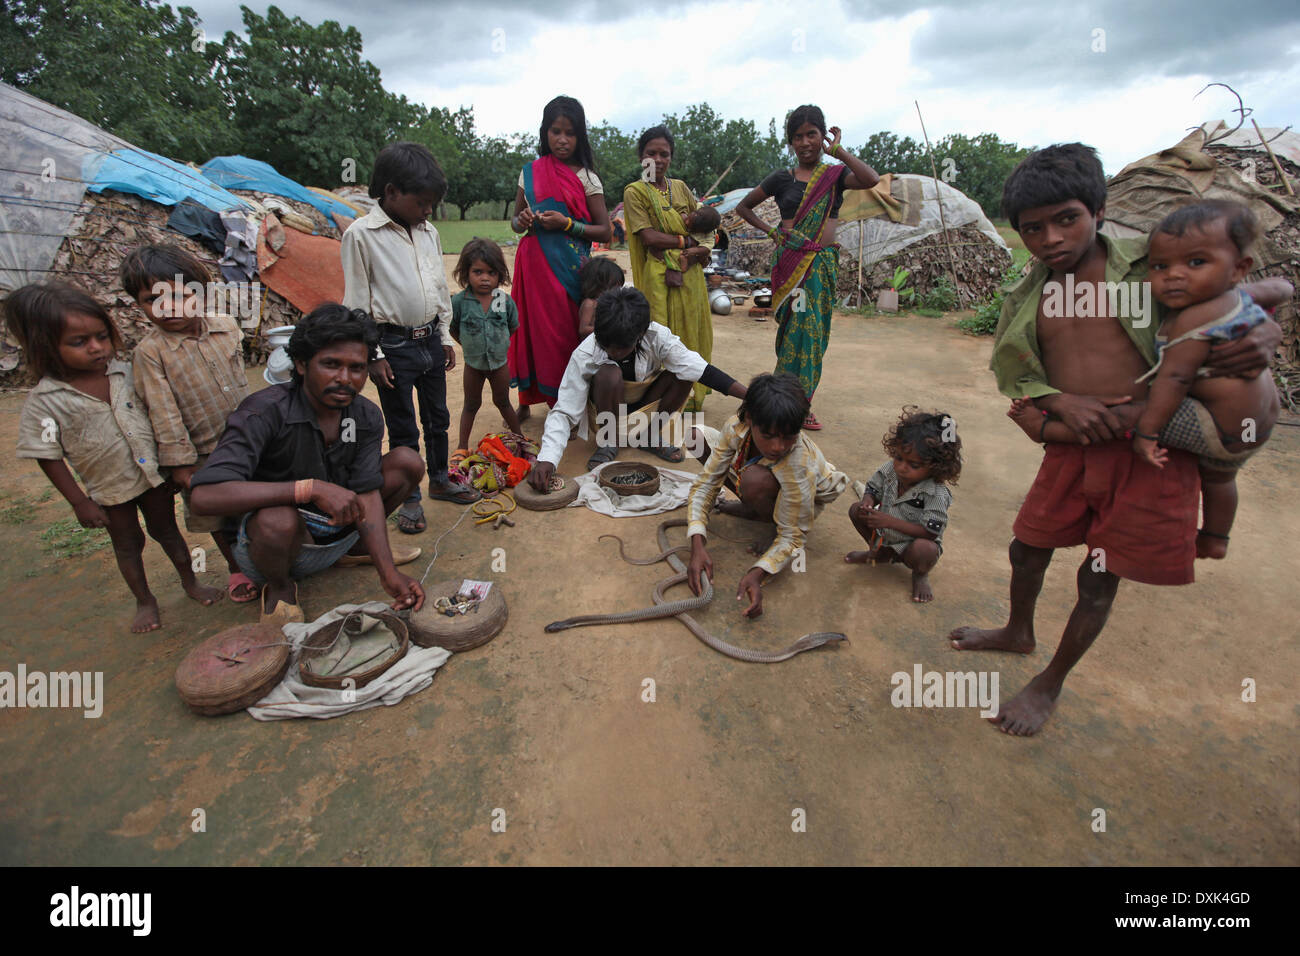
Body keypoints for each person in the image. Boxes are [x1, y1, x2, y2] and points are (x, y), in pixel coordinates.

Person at [953, 143, 1283, 737]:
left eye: (1067, 219)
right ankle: (1017, 630)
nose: (1051, 238)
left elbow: (1255, 288)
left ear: (1099, 211)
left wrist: (1263, 327)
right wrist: (1058, 401)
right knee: (1028, 547)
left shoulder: (1153, 267)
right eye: (1034, 228)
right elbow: (1016, 369)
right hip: (1072, 448)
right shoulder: (1029, 294)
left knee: (1099, 576)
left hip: (1149, 453)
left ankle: (1050, 682)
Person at [1006, 200, 1288, 560]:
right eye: (1160, 267)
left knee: (1125, 415)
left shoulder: (1182, 311)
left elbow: (1174, 378)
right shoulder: (1223, 295)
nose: (1174, 275)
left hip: (1215, 423)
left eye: (1195, 263)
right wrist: (1269, 320)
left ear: (1099, 213)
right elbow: (1277, 289)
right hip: (1255, 426)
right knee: (1220, 480)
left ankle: (1042, 430)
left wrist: (1148, 433)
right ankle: (1217, 537)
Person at [189, 304, 426, 626]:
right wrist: (308, 490)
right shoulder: (264, 412)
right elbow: (204, 497)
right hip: (276, 542)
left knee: (406, 462)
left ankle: (354, 550)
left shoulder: (365, 416)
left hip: (336, 526)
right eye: (330, 365)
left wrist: (389, 574)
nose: (345, 379)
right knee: (277, 519)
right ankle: (280, 587)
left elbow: (367, 491)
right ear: (301, 364)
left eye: (356, 368)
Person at [8, 283, 222, 632]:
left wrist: (169, 466)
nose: (96, 348)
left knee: (167, 532)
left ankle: (191, 583)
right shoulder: (45, 401)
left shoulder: (125, 373)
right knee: (128, 544)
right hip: (109, 488)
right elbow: (47, 456)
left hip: (153, 478)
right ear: (45, 346)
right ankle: (145, 601)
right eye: (79, 342)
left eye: (101, 337)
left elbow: (157, 417)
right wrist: (79, 502)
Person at [341, 141, 480, 537]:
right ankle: (410, 499)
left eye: (432, 204)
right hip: (393, 347)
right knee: (403, 426)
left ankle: (440, 479)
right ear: (391, 193)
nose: (428, 211)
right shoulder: (361, 236)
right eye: (422, 202)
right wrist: (374, 354)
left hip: (429, 342)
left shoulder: (429, 231)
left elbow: (437, 286)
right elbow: (357, 303)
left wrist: (444, 337)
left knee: (438, 418)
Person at [120, 243, 255, 603]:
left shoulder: (226, 328)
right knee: (217, 515)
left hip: (249, 440)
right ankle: (236, 568)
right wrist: (181, 465)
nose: (167, 307)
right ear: (139, 305)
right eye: (152, 299)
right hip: (203, 454)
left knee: (259, 501)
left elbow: (240, 380)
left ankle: (269, 556)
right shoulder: (150, 354)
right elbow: (162, 411)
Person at [734, 105, 881, 430]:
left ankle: (797, 402)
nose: (805, 142)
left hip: (821, 266)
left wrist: (839, 151)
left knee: (814, 337)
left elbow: (872, 179)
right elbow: (744, 207)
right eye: (798, 136)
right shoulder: (780, 179)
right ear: (790, 142)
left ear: (822, 136)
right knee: (796, 334)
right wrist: (772, 231)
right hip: (792, 268)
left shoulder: (835, 176)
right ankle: (789, 404)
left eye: (812, 134)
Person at [528, 286, 747, 487]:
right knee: (609, 373)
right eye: (606, 346)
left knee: (684, 373)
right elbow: (565, 410)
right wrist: (547, 459)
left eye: (620, 349)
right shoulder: (585, 352)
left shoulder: (657, 336)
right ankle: (609, 441)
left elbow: (702, 370)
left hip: (646, 406)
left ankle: (648, 436)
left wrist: (750, 396)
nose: (612, 352)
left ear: (640, 334)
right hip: (606, 411)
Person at [684, 372, 849, 619]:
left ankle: (770, 519)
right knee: (696, 436)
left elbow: (793, 536)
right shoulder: (736, 426)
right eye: (768, 436)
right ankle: (755, 507)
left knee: (755, 480)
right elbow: (706, 484)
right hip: (756, 469)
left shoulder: (798, 462)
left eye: (788, 437)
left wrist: (759, 573)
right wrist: (697, 544)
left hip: (807, 494)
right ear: (750, 419)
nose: (777, 447)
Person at [509, 96, 613, 421]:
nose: (562, 139)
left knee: (564, 336)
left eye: (570, 133)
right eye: (556, 131)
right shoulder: (530, 173)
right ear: (545, 132)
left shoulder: (587, 178)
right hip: (533, 267)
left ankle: (567, 405)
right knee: (531, 333)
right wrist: (522, 221)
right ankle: (531, 397)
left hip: (569, 272)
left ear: (579, 136)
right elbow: (514, 221)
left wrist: (566, 224)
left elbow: (605, 231)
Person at [624, 125, 715, 414]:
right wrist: (687, 240)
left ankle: (690, 397)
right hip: (659, 276)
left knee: (692, 331)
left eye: (664, 154)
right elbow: (648, 237)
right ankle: (659, 399)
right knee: (660, 335)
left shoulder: (681, 188)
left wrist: (698, 248)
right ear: (641, 156)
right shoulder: (635, 192)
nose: (657, 160)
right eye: (651, 153)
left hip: (691, 277)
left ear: (671, 158)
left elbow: (708, 224)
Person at [846, 408, 961, 603]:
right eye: (899, 457)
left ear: (936, 466)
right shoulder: (891, 469)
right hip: (885, 535)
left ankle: (920, 574)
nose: (901, 467)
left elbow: (930, 533)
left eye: (913, 465)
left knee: (926, 549)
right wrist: (868, 502)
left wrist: (889, 521)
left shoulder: (936, 493)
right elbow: (873, 488)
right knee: (855, 510)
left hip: (913, 546)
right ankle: (880, 553)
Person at [449, 237, 522, 464]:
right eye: (477, 272)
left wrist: (496, 345)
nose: (484, 278)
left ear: (499, 274)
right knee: (471, 404)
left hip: (499, 364)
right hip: (474, 365)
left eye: (491, 273)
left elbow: (511, 326)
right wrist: (470, 345)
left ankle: (520, 439)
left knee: (504, 402)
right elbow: (453, 328)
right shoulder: (460, 302)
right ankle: (462, 446)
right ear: (466, 273)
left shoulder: (503, 300)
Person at [577, 257, 625, 340]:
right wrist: (608, 329)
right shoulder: (590, 304)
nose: (615, 292)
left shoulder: (606, 302)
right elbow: (583, 330)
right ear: (597, 285)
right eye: (612, 288)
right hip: (591, 345)